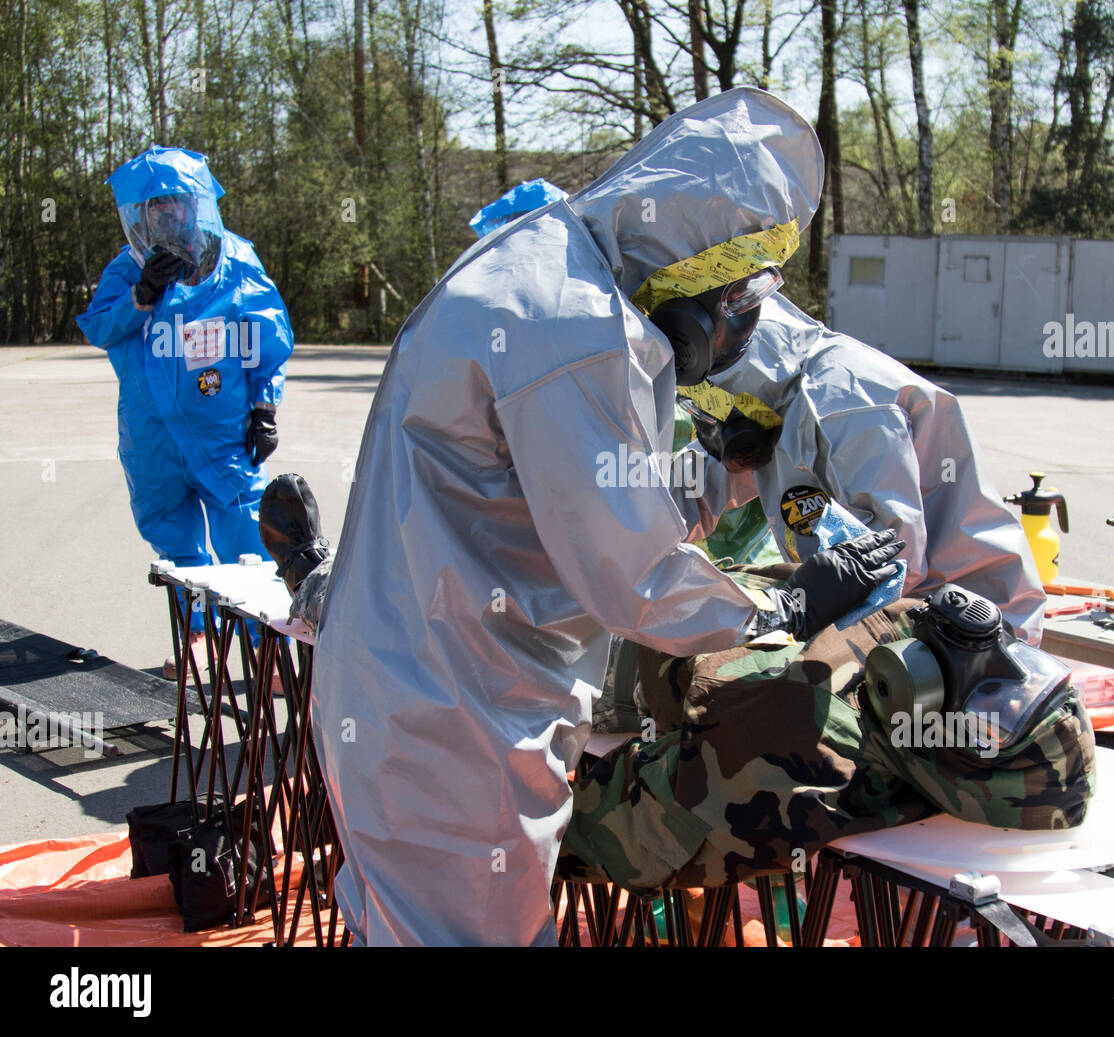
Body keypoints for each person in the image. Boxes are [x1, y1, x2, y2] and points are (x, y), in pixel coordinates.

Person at [311, 88, 905, 946]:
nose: (739, 331)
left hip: (407, 683)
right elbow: (639, 580)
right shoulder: (577, 331)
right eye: (736, 305)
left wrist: (723, 470)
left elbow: (582, 492)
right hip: (450, 716)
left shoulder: (550, 271)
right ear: (692, 271)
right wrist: (787, 604)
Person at [674, 292, 1046, 645]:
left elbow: (891, 571)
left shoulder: (846, 407)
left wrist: (788, 609)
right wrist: (633, 538)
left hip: (968, 630)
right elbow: (688, 489)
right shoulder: (760, 405)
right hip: (893, 621)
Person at [77, 146, 294, 674]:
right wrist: (140, 297)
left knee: (247, 538)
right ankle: (197, 636)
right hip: (152, 435)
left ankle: (267, 643)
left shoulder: (235, 260)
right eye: (153, 206)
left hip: (221, 429)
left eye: (175, 201)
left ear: (197, 204)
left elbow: (268, 336)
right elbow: (100, 329)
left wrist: (265, 406)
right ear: (137, 216)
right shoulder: (127, 270)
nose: (167, 214)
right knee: (174, 543)